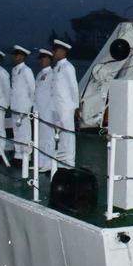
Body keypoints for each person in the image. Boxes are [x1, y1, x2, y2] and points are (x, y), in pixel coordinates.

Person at [51, 38, 80, 172]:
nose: (54, 53)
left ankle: (69, 164)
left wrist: (75, 106)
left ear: (62, 51)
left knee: (68, 137)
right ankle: (61, 163)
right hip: (58, 107)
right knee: (60, 136)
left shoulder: (68, 67)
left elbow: (74, 88)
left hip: (67, 108)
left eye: (55, 50)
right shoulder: (57, 68)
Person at [8, 45, 35, 163]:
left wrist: (29, 107)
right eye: (15, 55)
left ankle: (26, 156)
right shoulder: (14, 70)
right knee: (16, 132)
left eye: (18, 55)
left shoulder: (26, 71)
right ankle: (18, 154)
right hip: (15, 106)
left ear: (23, 57)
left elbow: (32, 89)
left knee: (25, 132)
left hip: (23, 107)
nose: (16, 57)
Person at [33, 49, 56, 173]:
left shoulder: (52, 75)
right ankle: (40, 162)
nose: (41, 61)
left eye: (44, 58)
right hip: (39, 111)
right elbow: (36, 94)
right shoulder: (39, 74)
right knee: (39, 137)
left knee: (48, 137)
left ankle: (49, 163)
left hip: (48, 111)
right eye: (40, 58)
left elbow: (54, 94)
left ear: (50, 60)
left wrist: (53, 111)